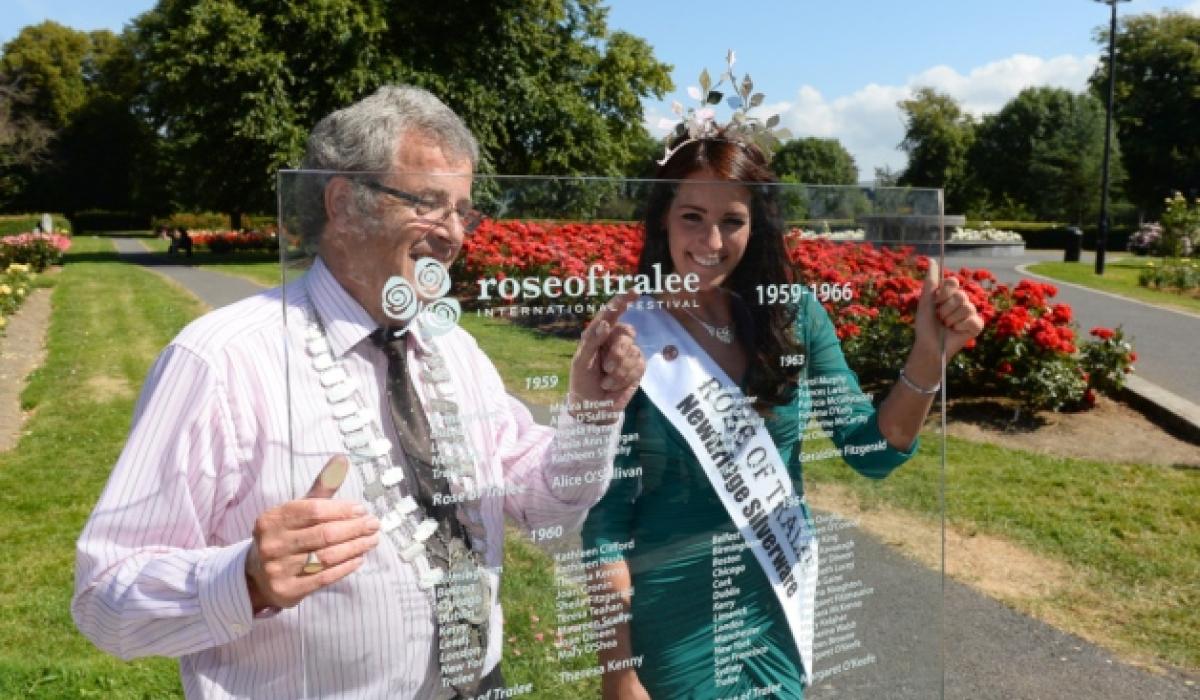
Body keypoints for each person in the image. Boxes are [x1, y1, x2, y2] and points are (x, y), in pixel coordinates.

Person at [72, 85, 645, 699]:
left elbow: (544, 506)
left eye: (463, 211)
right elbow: (107, 602)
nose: (454, 235)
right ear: (344, 204)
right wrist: (243, 579)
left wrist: (590, 411)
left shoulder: (454, 350)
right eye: (429, 204)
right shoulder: (221, 361)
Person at [580, 129, 984, 698]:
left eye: (733, 220)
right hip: (671, 618)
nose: (711, 240)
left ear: (758, 225)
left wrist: (928, 353)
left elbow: (871, 453)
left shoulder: (795, 319)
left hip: (774, 603)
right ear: (663, 221)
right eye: (692, 216)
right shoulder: (629, 334)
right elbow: (604, 528)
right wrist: (619, 676)